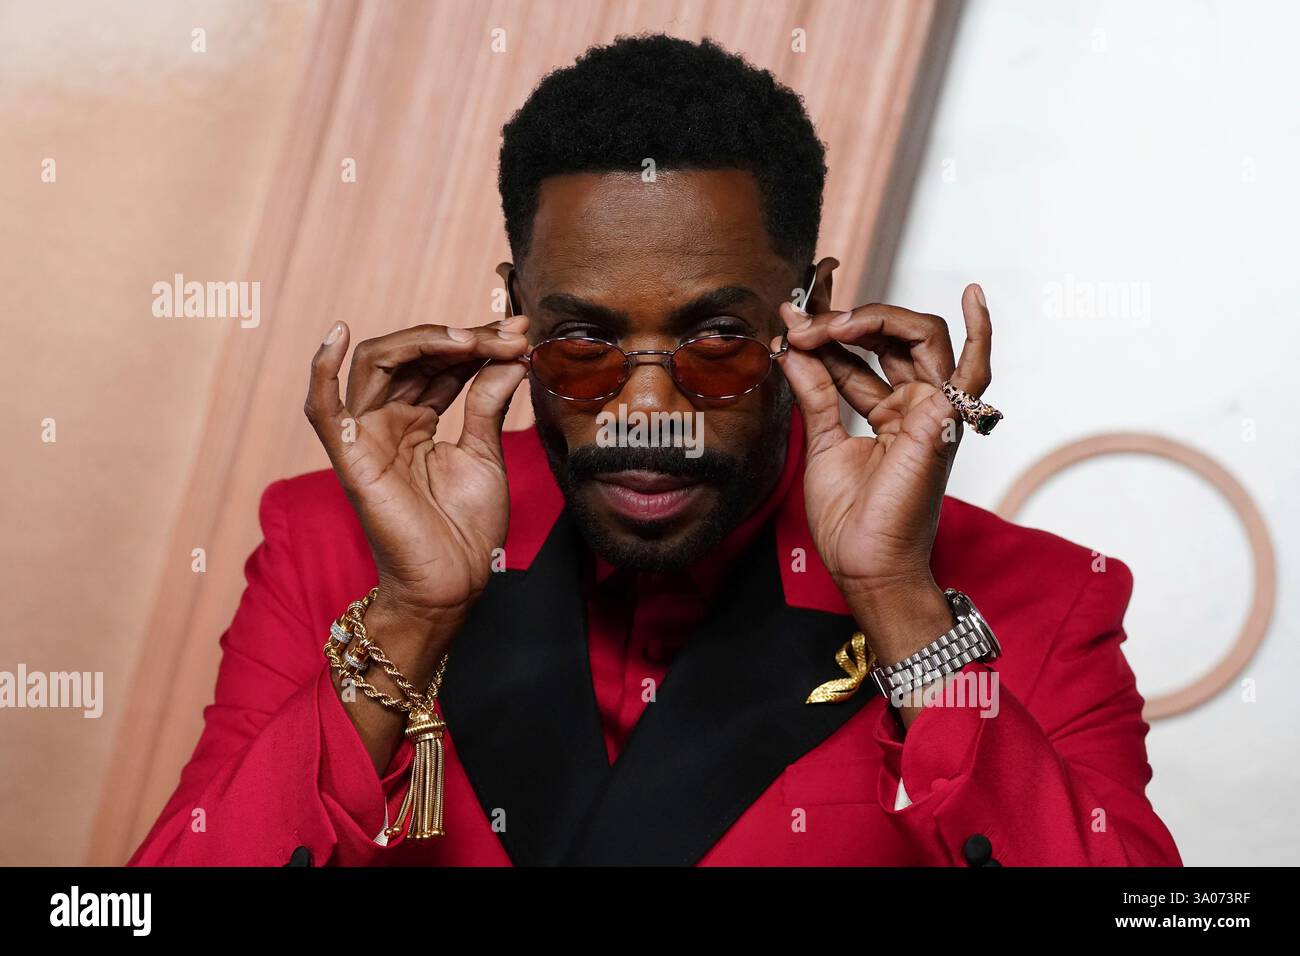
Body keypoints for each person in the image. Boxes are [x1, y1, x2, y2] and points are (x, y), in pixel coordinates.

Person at [129, 34, 1180, 866]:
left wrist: (901, 601)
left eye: (714, 339)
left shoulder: (1032, 599)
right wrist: (410, 618)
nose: (645, 409)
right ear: (513, 314)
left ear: (803, 307)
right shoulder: (329, 543)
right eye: (582, 342)